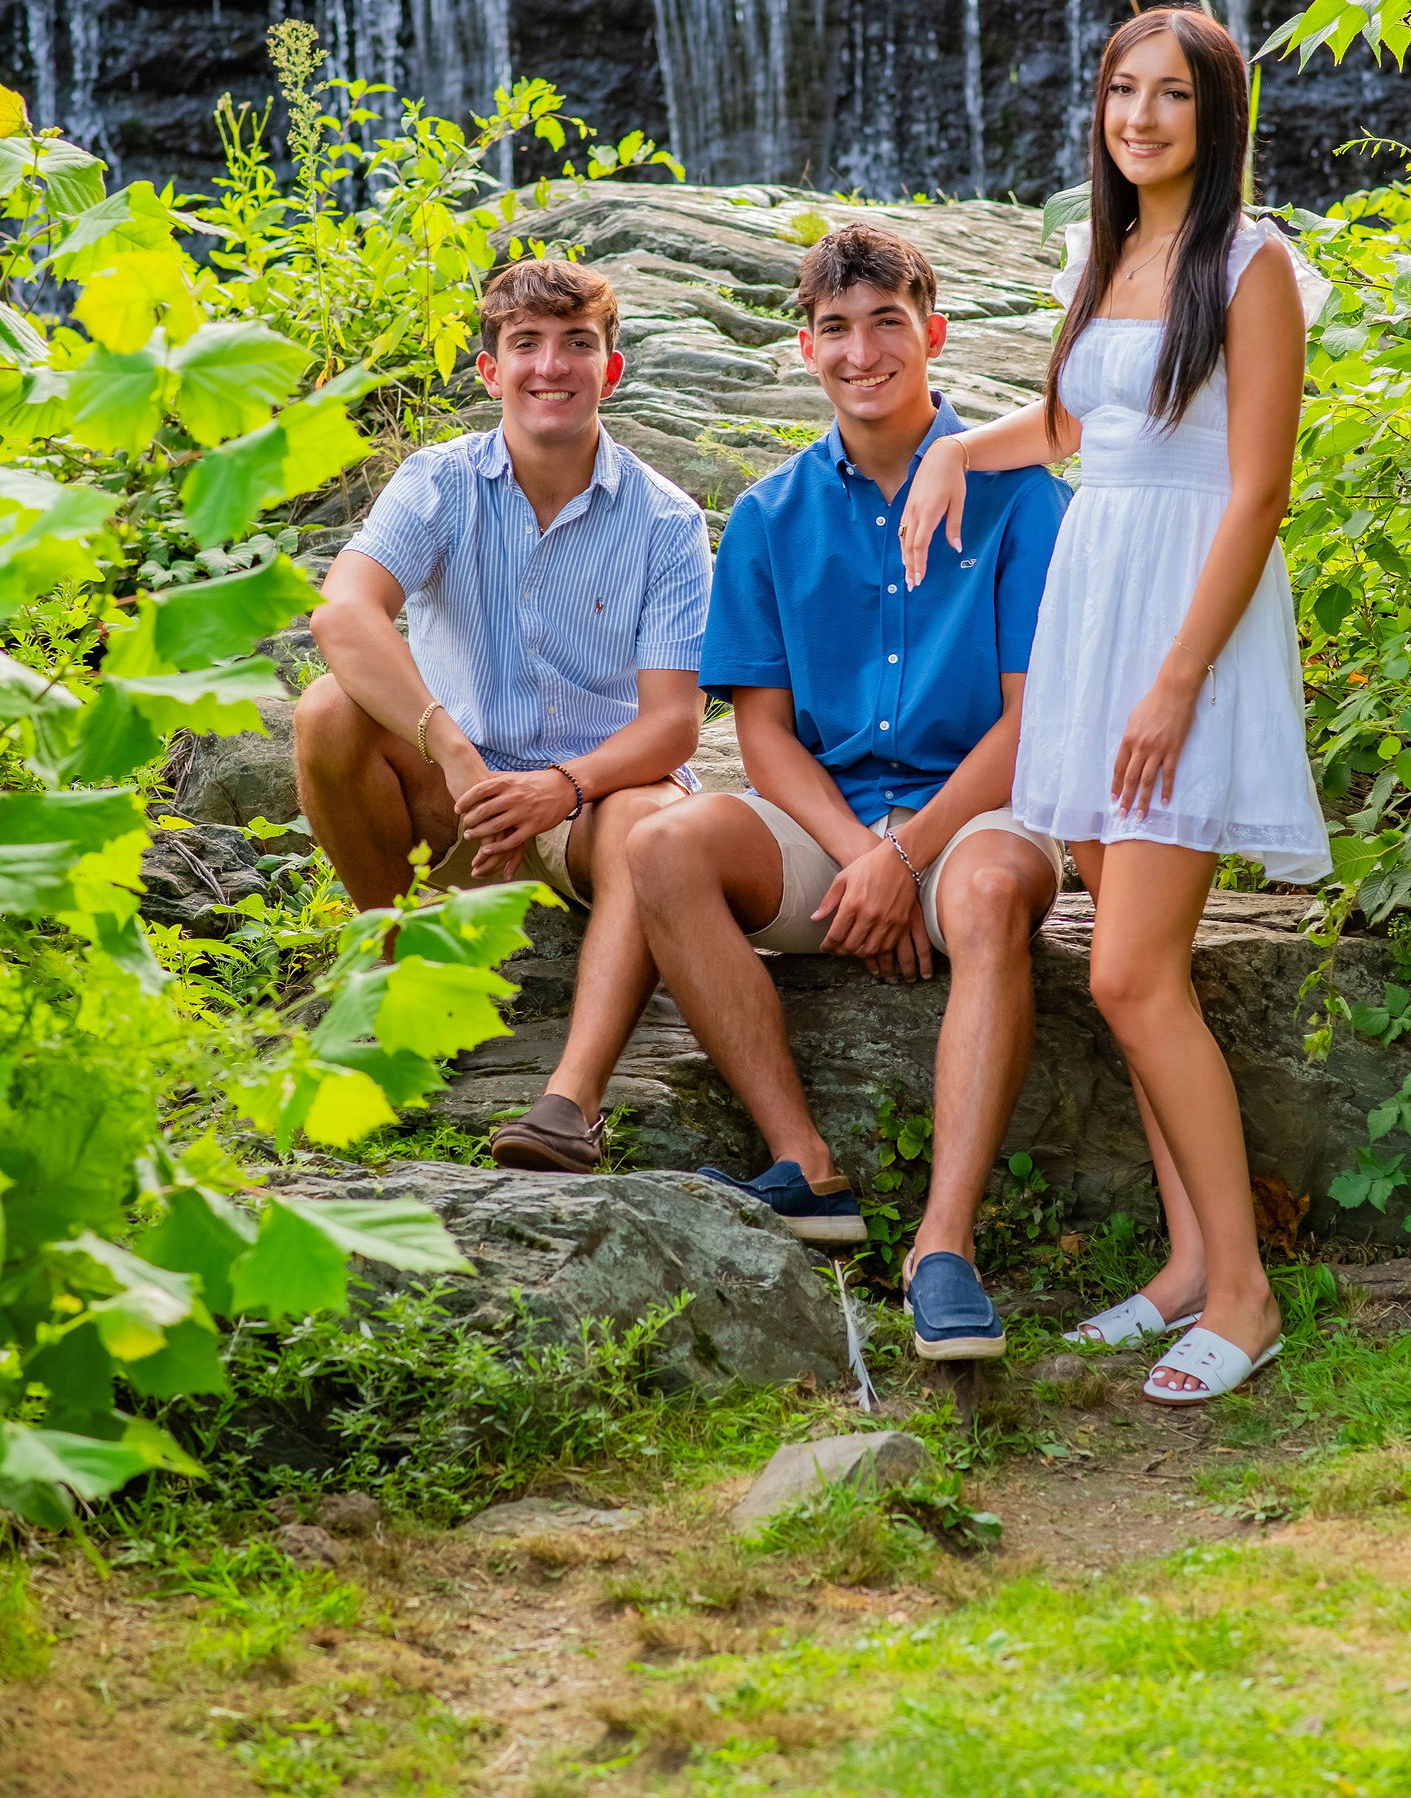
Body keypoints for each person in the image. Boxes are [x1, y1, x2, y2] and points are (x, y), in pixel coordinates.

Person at [900, 9, 1332, 1408]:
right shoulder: (1106, 250)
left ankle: (1247, 1295)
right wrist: (960, 444)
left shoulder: (1249, 262)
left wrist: (1175, 678)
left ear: (1217, 118)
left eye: (1171, 96)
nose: (1139, 115)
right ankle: (1188, 1266)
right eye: (1120, 89)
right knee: (1141, 958)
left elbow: (1257, 488)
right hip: (1097, 608)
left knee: (1128, 972)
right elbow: (1086, 434)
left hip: (1182, 626)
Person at [625, 222, 1069, 1363]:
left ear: (934, 332)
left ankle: (943, 1246)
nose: (862, 350)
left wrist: (909, 854)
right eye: (835, 328)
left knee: (987, 900)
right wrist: (860, 856)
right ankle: (807, 1168)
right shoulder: (770, 516)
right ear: (803, 347)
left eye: (886, 323)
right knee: (664, 848)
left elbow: (1030, 726)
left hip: (977, 816)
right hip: (826, 827)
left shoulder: (1024, 499)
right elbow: (761, 734)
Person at [296, 256, 712, 1173]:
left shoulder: (667, 521)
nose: (550, 366)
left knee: (655, 822)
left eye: (577, 344)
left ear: (612, 368)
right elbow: (344, 612)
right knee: (329, 710)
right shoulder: (439, 480)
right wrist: (453, 751)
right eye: (525, 345)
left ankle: (570, 1103)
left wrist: (561, 788)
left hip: (599, 802)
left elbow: (675, 725)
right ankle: (408, 975)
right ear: (491, 370)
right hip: (467, 793)